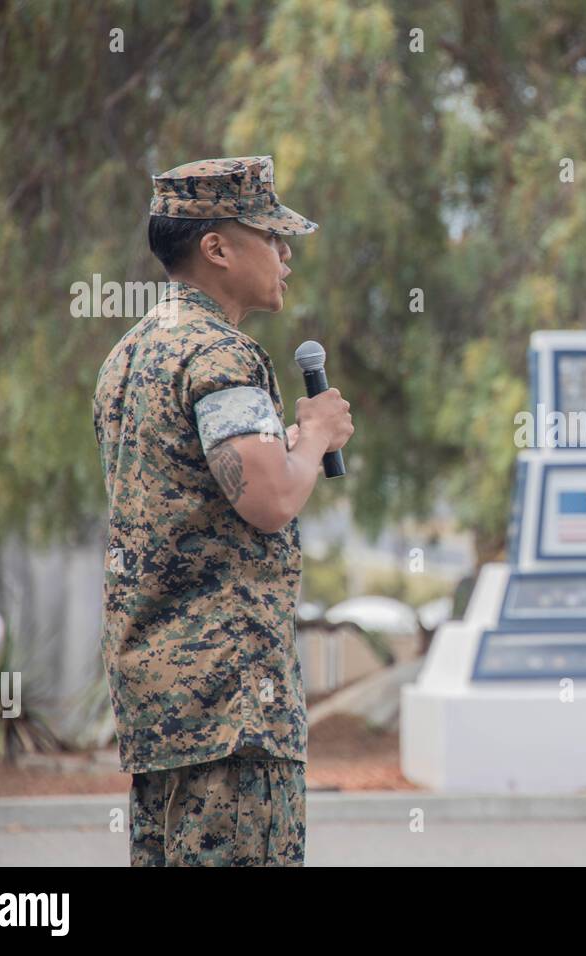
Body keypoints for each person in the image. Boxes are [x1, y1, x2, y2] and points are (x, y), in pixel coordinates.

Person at [92, 155, 354, 866]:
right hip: (234, 704)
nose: (285, 254)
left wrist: (288, 447)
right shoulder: (220, 354)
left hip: (161, 704)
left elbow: (203, 486)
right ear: (217, 247)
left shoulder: (130, 355)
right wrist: (319, 437)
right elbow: (268, 500)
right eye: (270, 236)